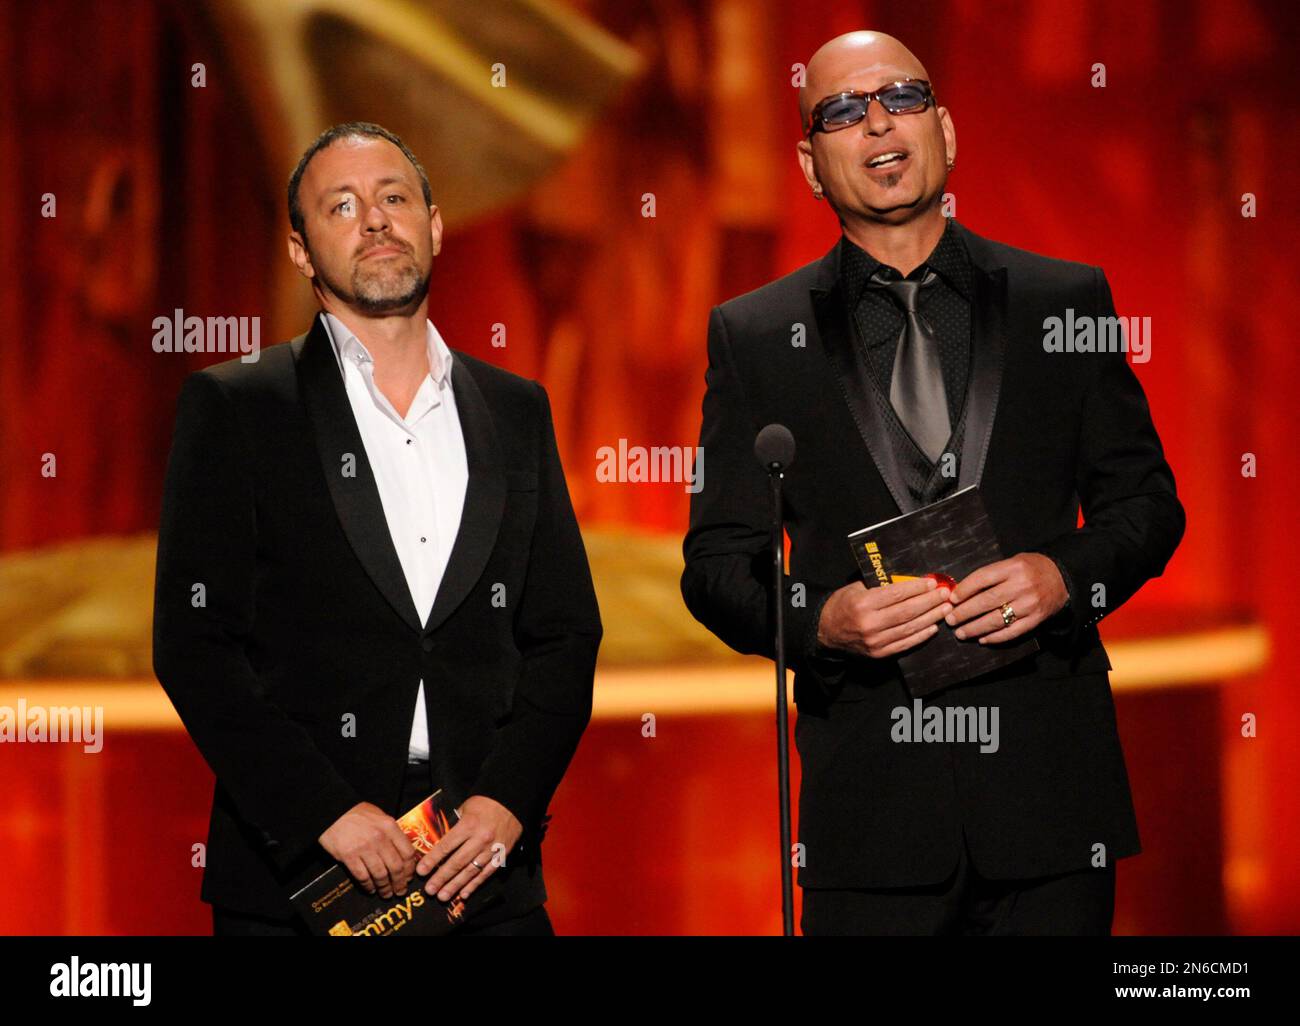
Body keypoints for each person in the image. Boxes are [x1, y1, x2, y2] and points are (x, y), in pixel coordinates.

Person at [680, 32, 1185, 935]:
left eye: (902, 98)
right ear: (808, 164)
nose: (877, 122)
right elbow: (717, 566)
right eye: (842, 110)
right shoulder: (754, 336)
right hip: (871, 816)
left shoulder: (1064, 302)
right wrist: (822, 619)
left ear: (945, 129)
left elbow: (1146, 505)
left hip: (1051, 804)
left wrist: (1063, 575)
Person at [153, 122, 602, 936]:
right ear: (299, 250)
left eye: (394, 198)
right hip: (301, 878)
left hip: (483, 872)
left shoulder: (514, 408)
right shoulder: (237, 407)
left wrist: (505, 805)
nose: (375, 219)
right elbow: (195, 646)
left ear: (433, 226)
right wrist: (326, 814)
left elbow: (566, 634)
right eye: (342, 205)